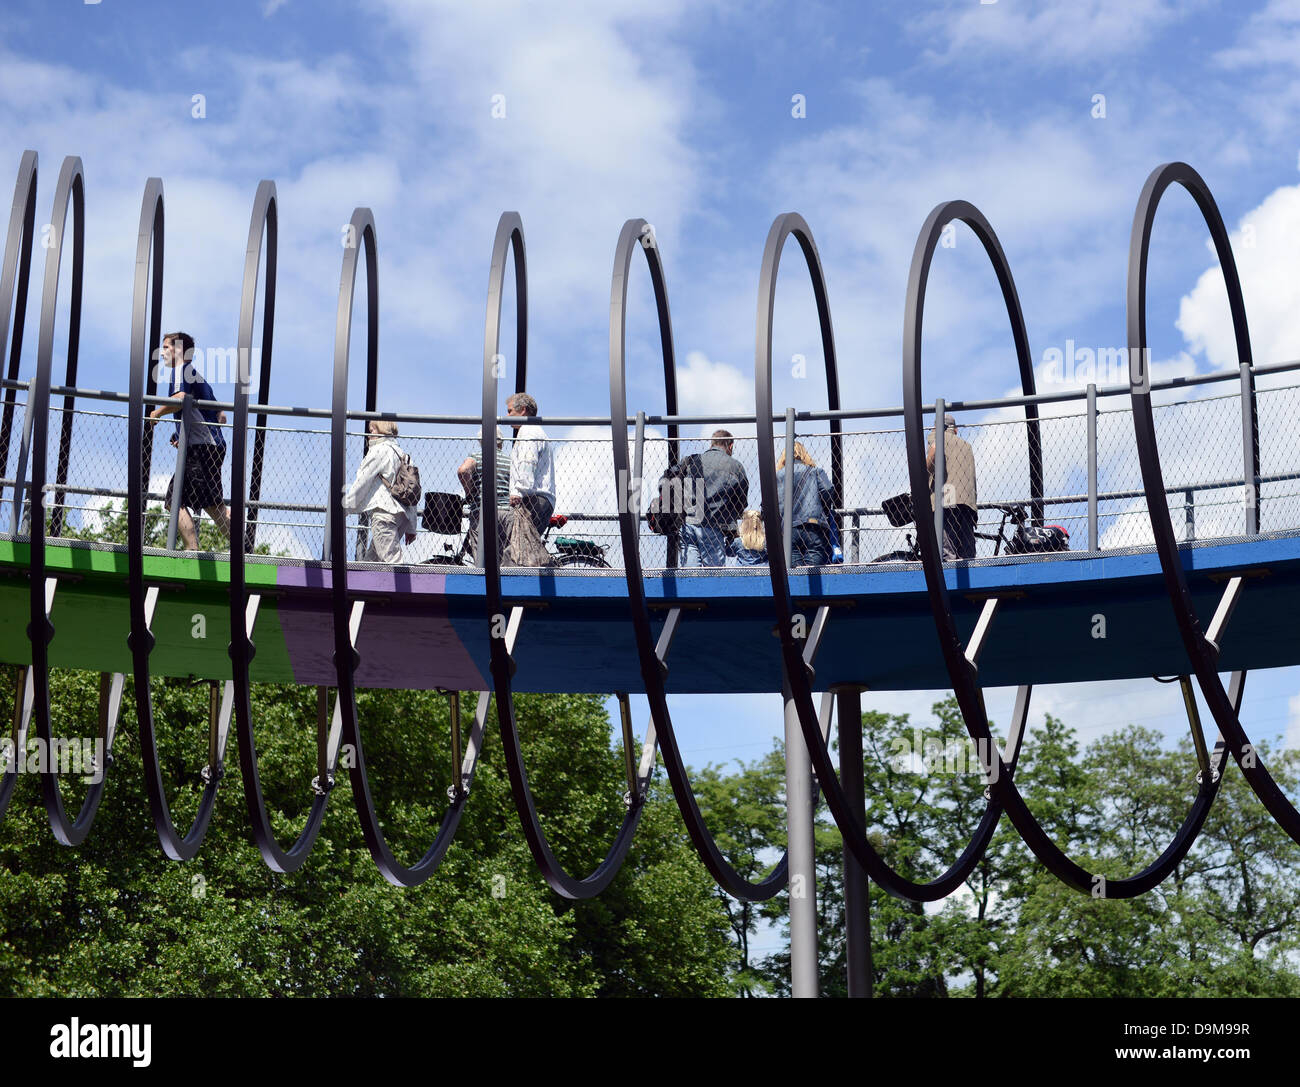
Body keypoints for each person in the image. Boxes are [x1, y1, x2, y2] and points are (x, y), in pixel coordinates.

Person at [148, 331, 232, 551]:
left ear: (179, 351)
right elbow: (220, 415)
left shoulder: (180, 370)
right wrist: (182, 435)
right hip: (212, 447)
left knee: (173, 499)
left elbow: (181, 399)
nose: (162, 352)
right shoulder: (197, 376)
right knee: (214, 505)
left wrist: (158, 413)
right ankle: (245, 548)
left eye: (166, 347)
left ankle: (192, 549)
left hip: (201, 449)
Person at [342, 419, 418, 563]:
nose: (368, 435)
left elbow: (362, 481)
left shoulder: (379, 450)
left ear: (382, 430)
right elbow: (412, 492)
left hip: (384, 513)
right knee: (371, 563)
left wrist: (344, 508)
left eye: (372, 430)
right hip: (402, 516)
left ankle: (410, 586)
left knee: (392, 562)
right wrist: (412, 527)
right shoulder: (404, 456)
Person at [678, 429, 749, 567]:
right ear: (731, 446)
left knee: (690, 575)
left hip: (687, 524)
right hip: (713, 524)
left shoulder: (692, 461)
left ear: (712, 444)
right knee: (713, 576)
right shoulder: (735, 466)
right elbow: (741, 502)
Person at [927, 413, 977, 560]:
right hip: (967, 503)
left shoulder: (937, 438)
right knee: (967, 553)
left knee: (947, 551)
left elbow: (934, 453)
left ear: (936, 428)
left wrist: (921, 477)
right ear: (955, 429)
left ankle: (948, 581)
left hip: (947, 497)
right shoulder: (967, 446)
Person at [775, 440, 834, 566]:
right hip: (813, 526)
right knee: (813, 573)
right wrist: (821, 505)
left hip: (789, 529)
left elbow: (766, 505)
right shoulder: (815, 471)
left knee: (795, 575)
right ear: (804, 455)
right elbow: (828, 490)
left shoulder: (777, 476)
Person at [505, 390, 555, 532]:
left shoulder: (527, 430)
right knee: (526, 547)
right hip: (540, 498)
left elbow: (528, 461)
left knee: (521, 548)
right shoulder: (535, 430)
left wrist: (518, 491)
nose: (507, 416)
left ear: (523, 411)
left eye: (510, 411)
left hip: (533, 499)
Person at [457, 426, 510, 559]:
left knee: (482, 559)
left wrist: (469, 492)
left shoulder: (476, 457)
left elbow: (463, 471)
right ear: (501, 442)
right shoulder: (510, 460)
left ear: (481, 441)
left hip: (482, 511)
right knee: (506, 557)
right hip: (506, 512)